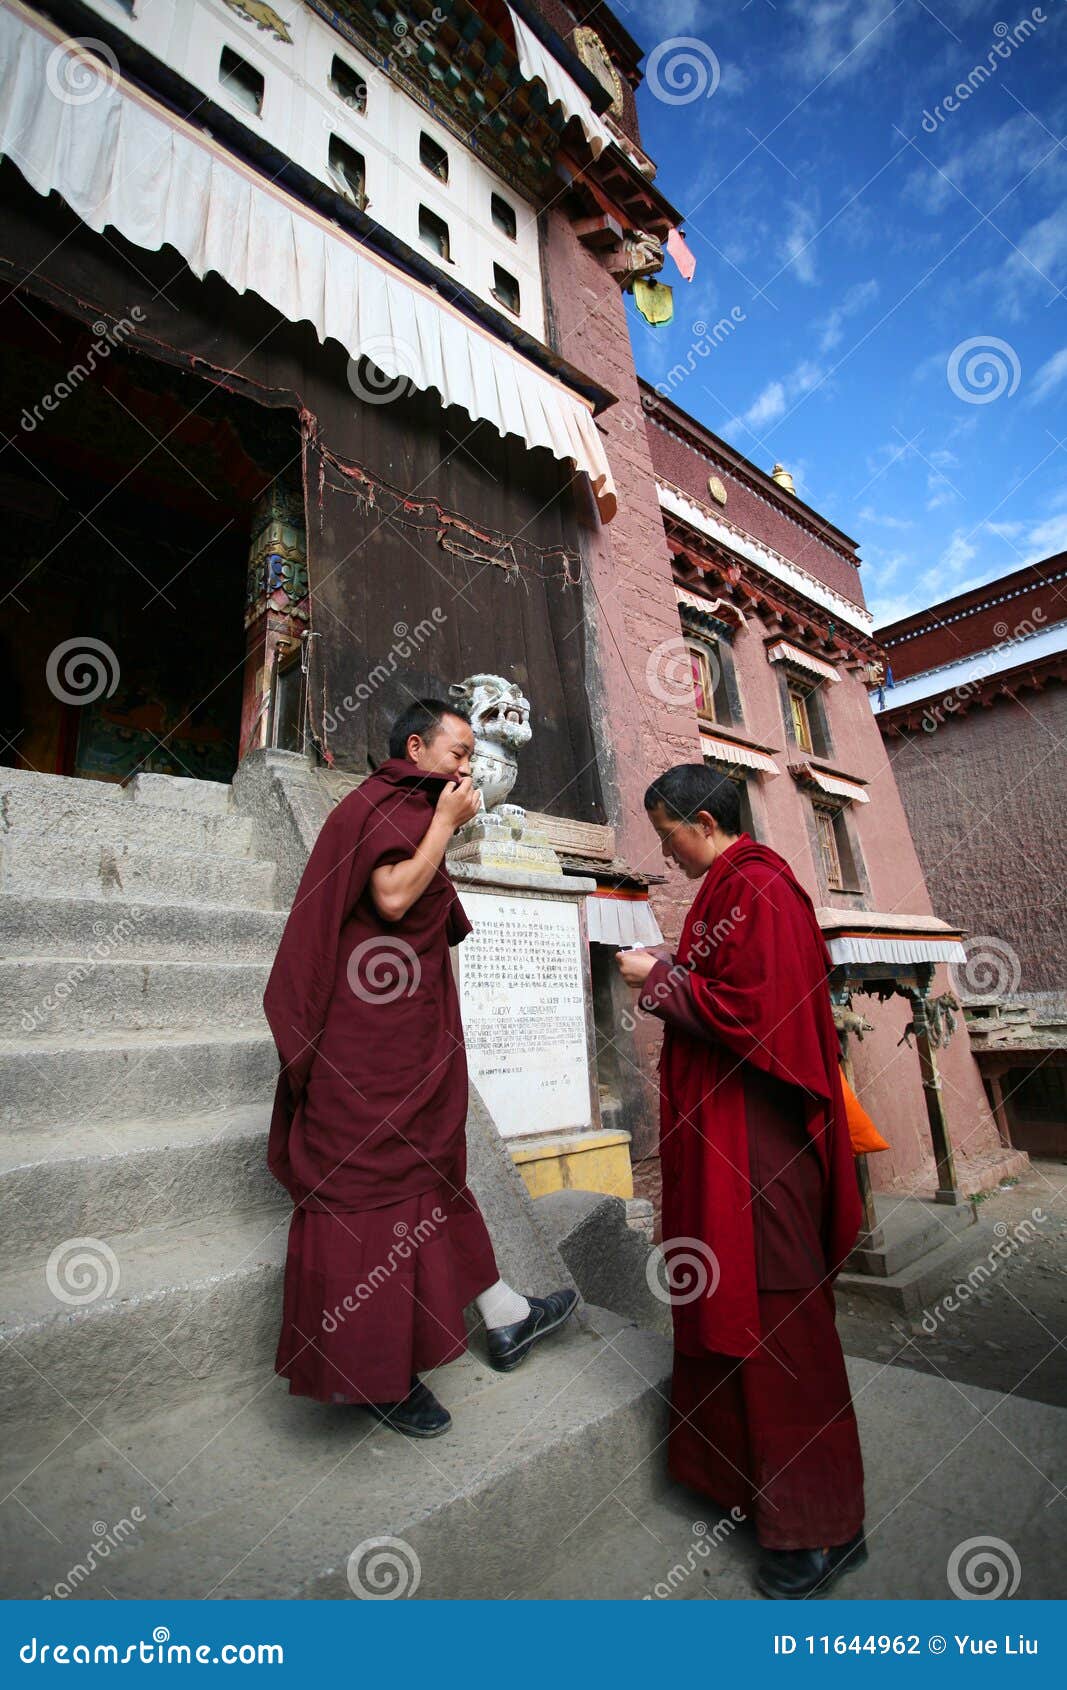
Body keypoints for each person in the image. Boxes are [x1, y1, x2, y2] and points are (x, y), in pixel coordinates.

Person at [264, 698, 578, 1438]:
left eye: (471, 756)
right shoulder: (388, 802)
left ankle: (503, 1315)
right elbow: (395, 894)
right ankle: (373, 1375)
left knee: (432, 1170)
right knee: (368, 1193)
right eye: (459, 751)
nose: (469, 768)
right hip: (362, 1051)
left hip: (406, 1041)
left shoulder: (412, 804)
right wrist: (445, 824)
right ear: (415, 746)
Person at [616, 764, 867, 1599]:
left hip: (762, 1155)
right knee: (731, 1307)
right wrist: (670, 969)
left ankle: (822, 1527)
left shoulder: (758, 889)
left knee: (781, 1324)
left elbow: (760, 1019)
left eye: (665, 832)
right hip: (729, 1144)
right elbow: (730, 992)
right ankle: (743, 1485)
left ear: (698, 821)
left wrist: (656, 979)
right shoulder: (730, 887)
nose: (664, 849)